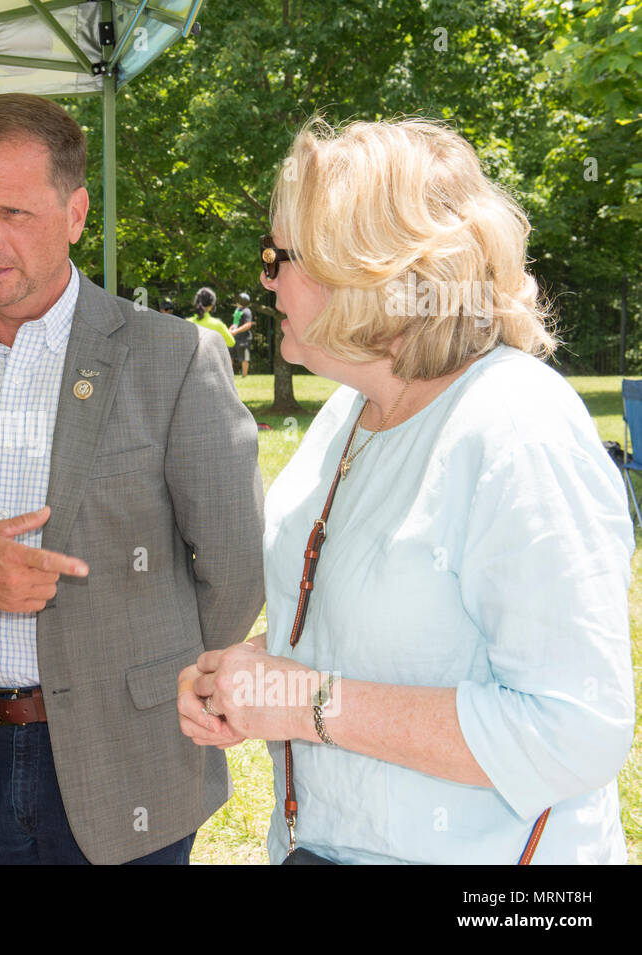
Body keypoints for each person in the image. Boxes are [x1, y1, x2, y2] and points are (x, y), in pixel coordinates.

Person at [177, 116, 636, 864]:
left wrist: (300, 701)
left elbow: (573, 729)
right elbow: (387, 632)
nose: (266, 279)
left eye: (279, 255)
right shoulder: (349, 411)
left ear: (367, 271)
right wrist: (243, 676)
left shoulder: (516, 428)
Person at [0, 93, 265, 865]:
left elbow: (235, 566)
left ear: (75, 214)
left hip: (131, 764)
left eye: (14, 212)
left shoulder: (172, 359)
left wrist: (150, 684)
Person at [228, 291, 254, 376]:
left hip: (244, 338)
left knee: (244, 357)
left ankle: (244, 375)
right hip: (234, 337)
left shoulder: (247, 311)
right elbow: (235, 323)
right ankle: (229, 375)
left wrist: (236, 331)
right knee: (229, 355)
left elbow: (248, 325)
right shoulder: (237, 310)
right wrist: (230, 330)